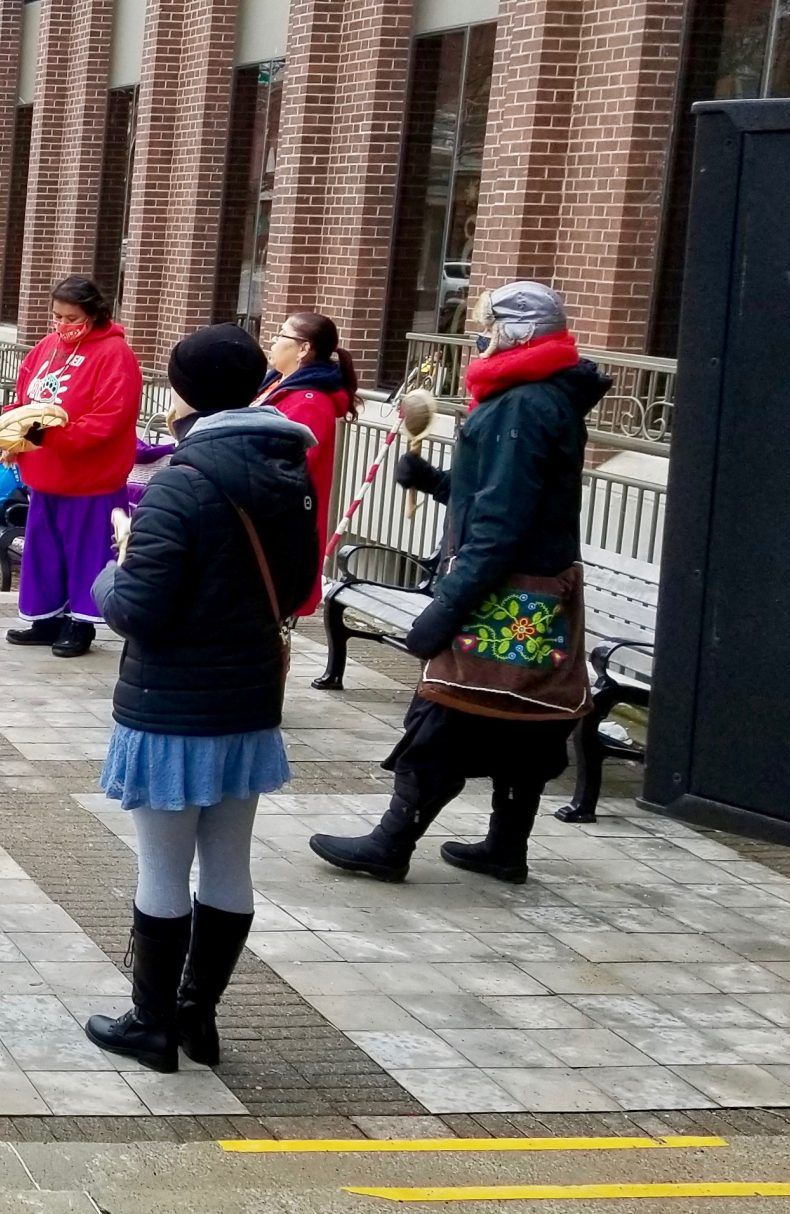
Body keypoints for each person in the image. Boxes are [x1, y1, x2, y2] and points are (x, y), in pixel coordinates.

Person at [310, 281, 604, 887]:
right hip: (534, 589)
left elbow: (500, 524)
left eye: (489, 323)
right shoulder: (539, 397)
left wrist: (445, 609)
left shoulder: (524, 405)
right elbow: (511, 500)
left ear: (518, 331)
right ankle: (505, 847)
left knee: (449, 713)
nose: (480, 334)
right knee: (521, 718)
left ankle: (392, 844)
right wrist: (435, 482)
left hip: (506, 594)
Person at [82, 324, 315, 1074]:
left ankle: (151, 1024)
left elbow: (138, 610)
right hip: (247, 699)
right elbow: (298, 587)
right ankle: (197, 1018)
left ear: (186, 392)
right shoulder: (288, 467)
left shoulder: (181, 481)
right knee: (228, 864)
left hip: (173, 703)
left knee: (161, 867)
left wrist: (113, 567)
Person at [6, 275, 143, 657]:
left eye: (71, 319)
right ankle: (46, 617)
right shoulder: (47, 346)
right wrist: (13, 430)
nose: (62, 325)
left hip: (90, 478)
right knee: (44, 552)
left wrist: (51, 436)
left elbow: (109, 418)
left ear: (93, 315)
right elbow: (24, 393)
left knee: (86, 553)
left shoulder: (115, 354)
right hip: (45, 472)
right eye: (57, 317)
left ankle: (80, 623)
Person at [256, 311, 356, 615]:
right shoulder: (277, 385)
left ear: (303, 348)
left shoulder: (310, 403)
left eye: (281, 334)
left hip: (281, 528)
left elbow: (287, 470)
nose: (273, 341)